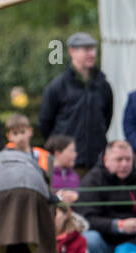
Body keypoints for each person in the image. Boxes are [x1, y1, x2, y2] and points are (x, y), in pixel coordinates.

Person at [38, 31, 113, 168]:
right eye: (87, 49)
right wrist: (61, 148)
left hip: (97, 162)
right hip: (66, 164)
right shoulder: (58, 86)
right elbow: (45, 123)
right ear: (72, 51)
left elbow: (107, 118)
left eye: (93, 49)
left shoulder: (103, 85)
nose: (92, 54)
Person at [45, 134, 79, 199]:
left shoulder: (74, 176)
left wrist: (77, 198)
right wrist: (58, 198)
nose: (75, 154)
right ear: (57, 153)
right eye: (71, 151)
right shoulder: (46, 176)